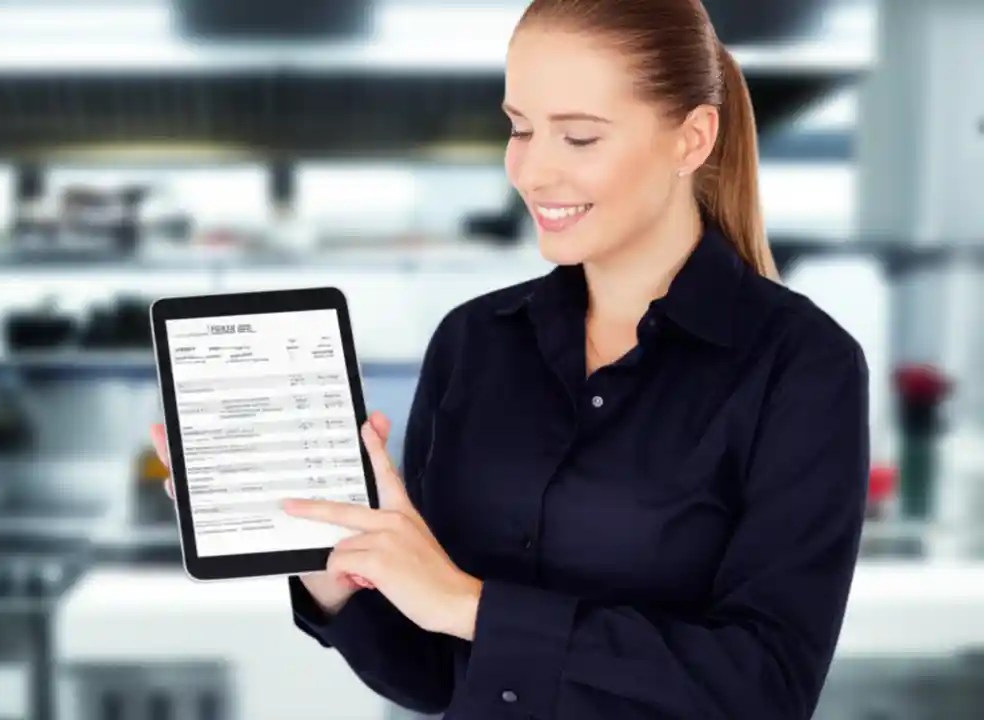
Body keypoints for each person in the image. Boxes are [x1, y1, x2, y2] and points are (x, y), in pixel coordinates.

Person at [150, 0, 870, 717]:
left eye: (580, 138)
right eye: (520, 128)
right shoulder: (474, 344)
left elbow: (767, 688)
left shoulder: (802, 367)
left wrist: (473, 606)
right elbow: (436, 677)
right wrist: (329, 562)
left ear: (692, 140)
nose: (532, 172)